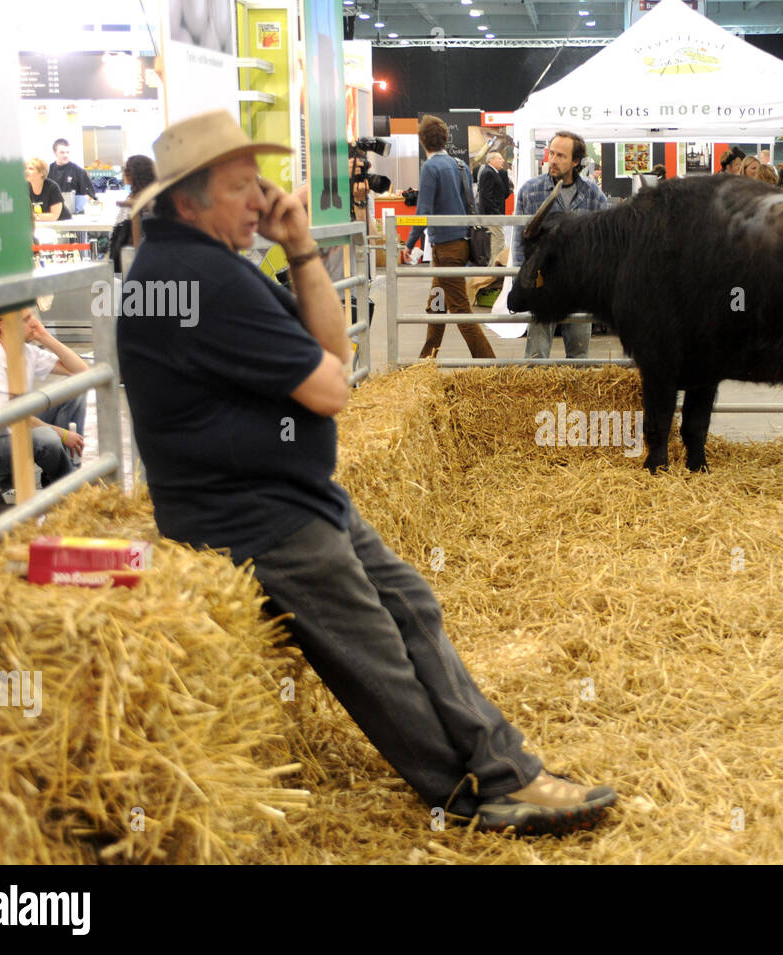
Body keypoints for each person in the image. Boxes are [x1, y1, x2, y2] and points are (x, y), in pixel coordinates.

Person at [117, 109, 617, 835]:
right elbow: (331, 387)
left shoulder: (202, 264)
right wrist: (307, 303)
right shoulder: (201, 278)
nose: (260, 198)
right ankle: (470, 793)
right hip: (254, 517)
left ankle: (504, 765)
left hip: (290, 495)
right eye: (239, 186)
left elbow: (333, 352)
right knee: (376, 651)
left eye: (258, 181)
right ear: (188, 200)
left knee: (410, 603)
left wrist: (300, 248)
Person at [405, 115, 495, 360]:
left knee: (461, 311)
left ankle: (490, 365)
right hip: (459, 245)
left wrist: (410, 243)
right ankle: (426, 360)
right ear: (445, 138)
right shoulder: (460, 165)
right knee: (436, 304)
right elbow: (471, 204)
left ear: (422, 140)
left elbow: (423, 212)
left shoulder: (430, 168)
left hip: (445, 249)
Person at [514, 129, 610, 360]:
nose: (553, 160)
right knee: (536, 354)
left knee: (579, 354)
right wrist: (521, 276)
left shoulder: (593, 195)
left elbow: (603, 243)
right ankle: (536, 385)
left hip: (578, 285)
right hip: (541, 282)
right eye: (551, 153)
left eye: (561, 156)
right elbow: (519, 239)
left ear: (576, 161)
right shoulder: (530, 191)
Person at [0, 307, 88, 488]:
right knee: (47, 437)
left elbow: (81, 371)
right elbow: (9, 417)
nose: (35, 323)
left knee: (74, 391)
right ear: (4, 326)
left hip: (20, 429)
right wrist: (62, 434)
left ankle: (64, 472)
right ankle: (71, 488)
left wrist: (45, 337)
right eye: (26, 319)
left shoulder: (25, 351)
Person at [108, 155, 156, 273]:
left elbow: (135, 236)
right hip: (129, 255)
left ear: (134, 174)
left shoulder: (142, 199)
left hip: (132, 257)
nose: (123, 172)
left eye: (126, 169)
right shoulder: (140, 195)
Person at [477, 149, 512, 265]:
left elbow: (503, 193)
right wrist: (496, 212)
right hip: (492, 217)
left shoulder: (495, 173)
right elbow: (486, 196)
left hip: (494, 215)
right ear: (491, 160)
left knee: (499, 242)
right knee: (497, 243)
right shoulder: (488, 173)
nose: (503, 161)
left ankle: (497, 267)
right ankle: (495, 269)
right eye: (500, 158)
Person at [46, 138, 96, 207]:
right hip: (52, 210)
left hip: (74, 210)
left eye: (67, 152)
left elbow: (90, 194)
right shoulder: (47, 171)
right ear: (55, 153)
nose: (65, 155)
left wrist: (81, 201)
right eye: (62, 152)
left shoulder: (79, 171)